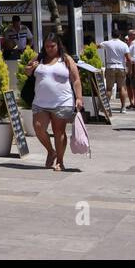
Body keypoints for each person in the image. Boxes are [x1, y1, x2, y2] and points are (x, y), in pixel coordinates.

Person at [25, 32, 83, 171]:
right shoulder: (39, 57)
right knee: (38, 127)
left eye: (52, 46)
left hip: (62, 101)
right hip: (40, 101)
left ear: (58, 45)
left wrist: (79, 97)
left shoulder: (66, 59)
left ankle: (60, 161)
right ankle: (51, 151)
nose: (49, 49)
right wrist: (31, 68)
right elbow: (26, 71)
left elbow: (76, 79)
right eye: (47, 46)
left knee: (59, 132)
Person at [99, 30, 132, 114]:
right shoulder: (124, 44)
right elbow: (128, 58)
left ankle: (106, 107)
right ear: (120, 36)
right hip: (121, 66)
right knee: (122, 88)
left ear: (111, 35)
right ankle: (123, 107)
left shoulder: (107, 43)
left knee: (109, 88)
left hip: (110, 66)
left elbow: (97, 46)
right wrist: (129, 69)